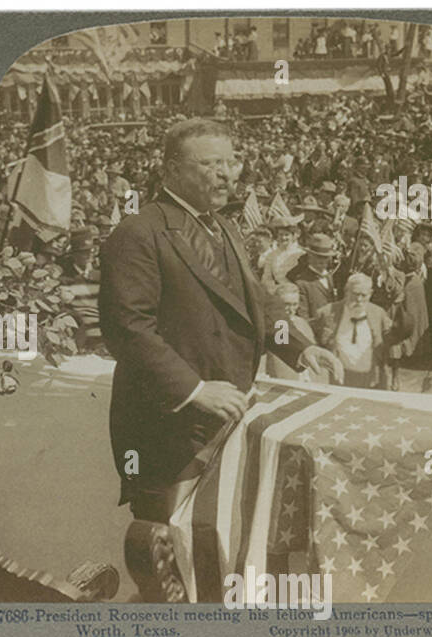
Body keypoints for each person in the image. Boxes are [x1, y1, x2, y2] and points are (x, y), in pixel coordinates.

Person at [98, 118, 342, 603]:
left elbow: (255, 306)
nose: (227, 174)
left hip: (226, 416)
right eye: (210, 164)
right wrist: (194, 389)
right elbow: (128, 329)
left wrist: (298, 346)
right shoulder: (139, 232)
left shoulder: (225, 227)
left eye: (232, 162)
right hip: (169, 425)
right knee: (170, 557)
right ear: (171, 169)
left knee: (212, 550)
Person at [313, 272, 411, 389]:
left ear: (370, 294)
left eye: (363, 295)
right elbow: (307, 335)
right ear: (346, 292)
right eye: (355, 294)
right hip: (338, 379)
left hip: (371, 380)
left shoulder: (378, 313)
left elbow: (392, 337)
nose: (359, 299)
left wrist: (403, 328)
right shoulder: (327, 313)